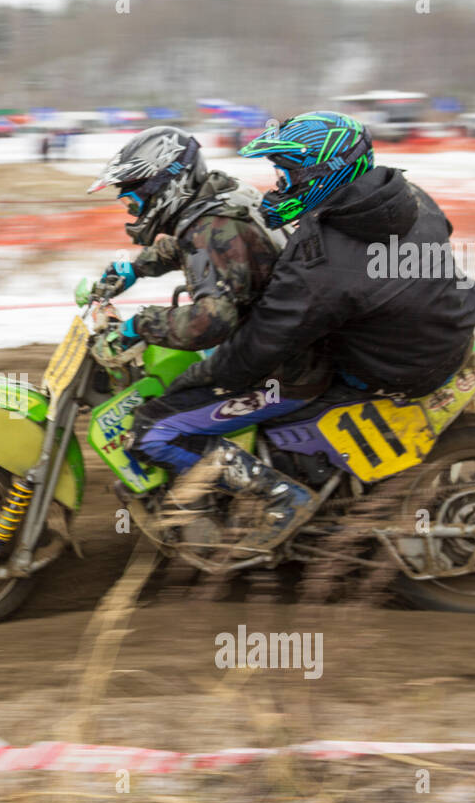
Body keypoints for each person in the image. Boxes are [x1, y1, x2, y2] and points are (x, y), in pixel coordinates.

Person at [144, 110, 475, 554]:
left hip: (395, 369)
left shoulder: (322, 261)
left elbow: (260, 345)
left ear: (322, 173)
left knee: (249, 396)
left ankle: (286, 498)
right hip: (449, 332)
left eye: (287, 173)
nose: (279, 185)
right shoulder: (410, 197)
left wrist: (197, 381)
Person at [85, 125, 329, 544]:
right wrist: (136, 267)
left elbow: (210, 321)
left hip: (282, 372)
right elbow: (192, 244)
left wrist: (139, 325)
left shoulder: (213, 224)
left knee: (153, 429)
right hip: (283, 347)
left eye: (133, 193)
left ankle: (283, 496)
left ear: (166, 183)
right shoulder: (224, 197)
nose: (129, 205)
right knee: (175, 389)